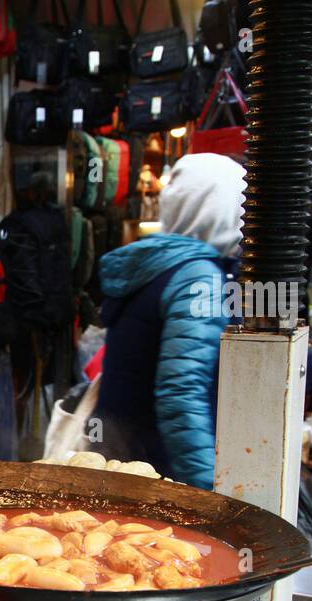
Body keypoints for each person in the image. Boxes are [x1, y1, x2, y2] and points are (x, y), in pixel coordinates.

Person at [92, 153, 246, 489]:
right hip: (156, 466)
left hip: (120, 449)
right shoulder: (198, 277)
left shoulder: (157, 260)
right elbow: (181, 391)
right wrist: (207, 488)